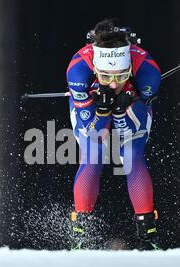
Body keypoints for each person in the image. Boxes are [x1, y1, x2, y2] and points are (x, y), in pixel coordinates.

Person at [66, 18, 162, 250]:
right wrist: (101, 110)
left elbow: (129, 131)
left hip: (134, 99)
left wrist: (121, 109)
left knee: (131, 155)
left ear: (130, 68)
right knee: (93, 153)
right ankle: (82, 232)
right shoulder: (78, 72)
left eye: (120, 76)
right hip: (91, 101)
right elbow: (95, 131)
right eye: (106, 76)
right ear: (95, 69)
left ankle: (147, 233)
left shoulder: (148, 72)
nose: (113, 84)